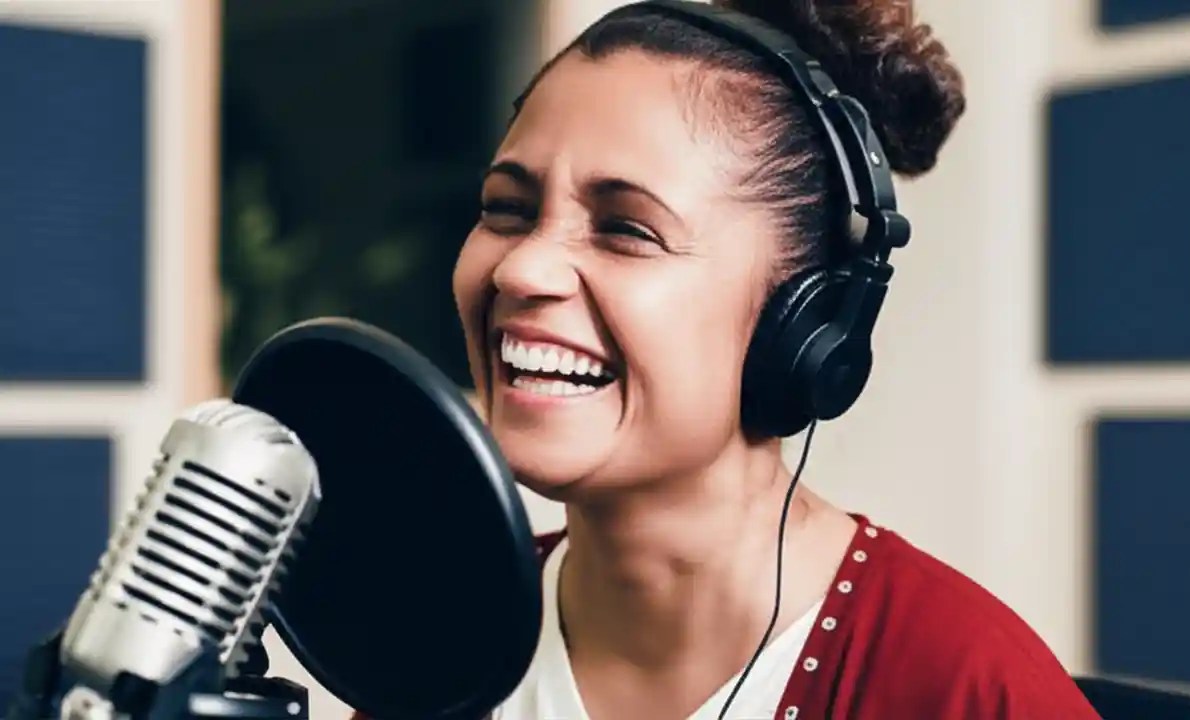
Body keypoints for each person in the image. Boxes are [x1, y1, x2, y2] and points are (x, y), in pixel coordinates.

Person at [357, 0, 1102, 718]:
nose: (520, 271)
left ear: (807, 321)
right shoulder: (445, 641)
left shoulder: (969, 687)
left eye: (626, 229)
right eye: (507, 211)